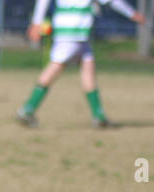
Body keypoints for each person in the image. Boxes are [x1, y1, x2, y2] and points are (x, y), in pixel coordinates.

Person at [16, 0, 145, 127]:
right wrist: (132, 13)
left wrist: (36, 22)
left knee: (88, 66)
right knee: (56, 67)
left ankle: (98, 116)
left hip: (69, 27)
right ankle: (27, 110)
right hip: (74, 28)